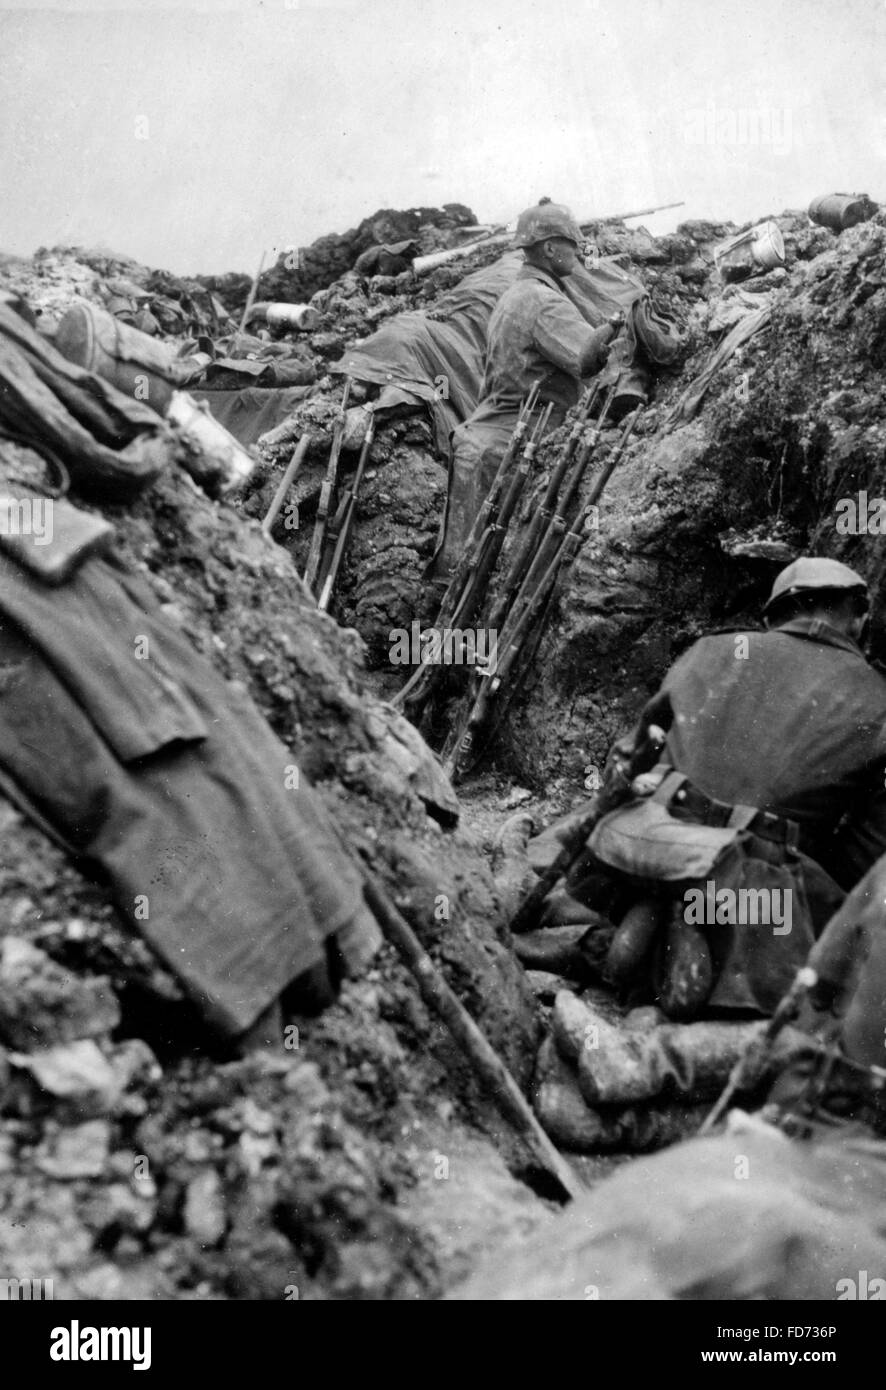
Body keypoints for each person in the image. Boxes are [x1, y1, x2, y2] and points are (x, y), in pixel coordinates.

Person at [507, 557, 886, 1134]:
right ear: (857, 615)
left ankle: (621, 943)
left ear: (776, 613)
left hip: (638, 843)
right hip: (750, 881)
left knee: (635, 873)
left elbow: (631, 758)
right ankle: (654, 997)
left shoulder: (711, 650)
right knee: (806, 985)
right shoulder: (878, 696)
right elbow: (867, 854)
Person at [429, 201, 619, 578]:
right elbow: (586, 358)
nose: (580, 251)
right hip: (522, 437)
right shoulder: (544, 301)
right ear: (549, 248)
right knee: (492, 573)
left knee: (464, 576)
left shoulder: (514, 294)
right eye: (572, 243)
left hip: (483, 438)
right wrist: (618, 328)